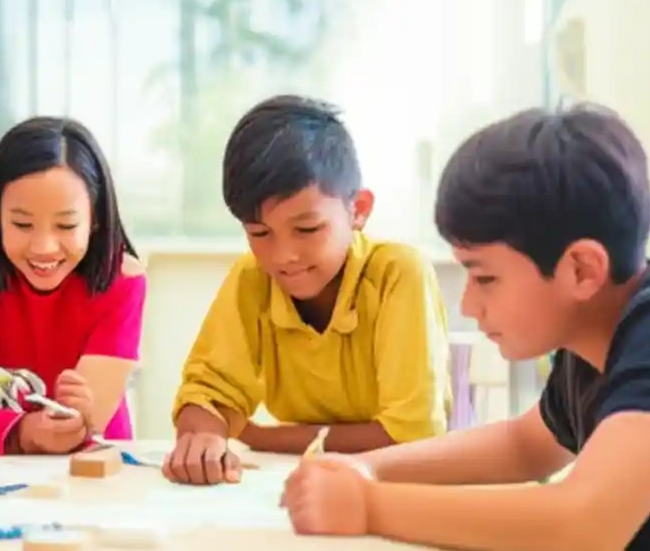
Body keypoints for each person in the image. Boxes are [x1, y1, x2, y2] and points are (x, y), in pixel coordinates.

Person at [282, 104, 650, 551]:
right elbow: (522, 446)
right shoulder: (592, 345)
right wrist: (365, 467)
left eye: (485, 278)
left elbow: (585, 522)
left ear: (582, 270)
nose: (468, 304)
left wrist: (368, 506)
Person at [164, 95, 451, 485]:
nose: (284, 256)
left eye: (308, 229)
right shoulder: (252, 279)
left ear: (358, 210)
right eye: (259, 233)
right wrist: (204, 438)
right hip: (301, 485)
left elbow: (410, 435)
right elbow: (207, 394)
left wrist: (266, 437)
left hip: (401, 484)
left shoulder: (398, 274)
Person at [0, 117, 145, 455]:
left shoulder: (122, 282)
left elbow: (85, 424)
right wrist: (24, 431)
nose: (43, 247)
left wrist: (81, 416)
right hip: (5, 476)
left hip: (96, 471)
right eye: (22, 223)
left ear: (95, 219)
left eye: (66, 225)